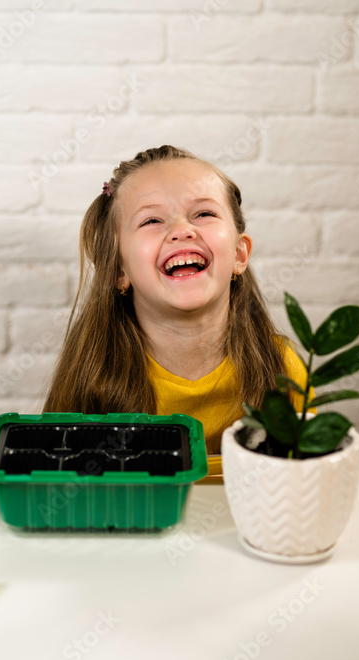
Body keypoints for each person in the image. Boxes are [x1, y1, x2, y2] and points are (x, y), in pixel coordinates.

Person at [43, 145, 313, 454]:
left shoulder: (281, 367)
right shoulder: (93, 375)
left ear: (239, 255)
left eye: (203, 214)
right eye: (152, 221)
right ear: (119, 269)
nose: (182, 230)